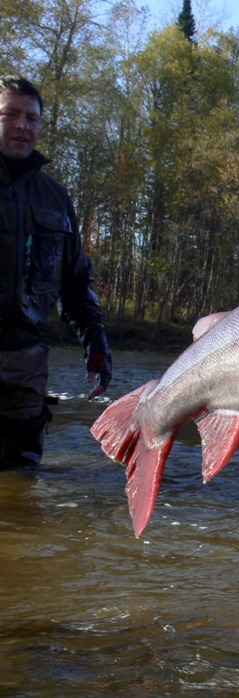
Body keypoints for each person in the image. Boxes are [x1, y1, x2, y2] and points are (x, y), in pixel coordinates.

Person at [0, 76, 111, 468]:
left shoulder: (55, 196)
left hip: (25, 366)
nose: (21, 125)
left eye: (31, 118)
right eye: (9, 114)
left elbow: (76, 280)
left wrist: (96, 344)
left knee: (21, 477)